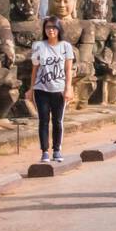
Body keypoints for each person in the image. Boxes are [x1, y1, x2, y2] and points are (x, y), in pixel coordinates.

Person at [28, 15, 74, 163]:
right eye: (48, 27)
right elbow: (35, 69)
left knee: (58, 121)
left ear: (59, 29)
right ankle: (44, 151)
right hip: (41, 89)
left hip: (59, 89)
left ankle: (57, 150)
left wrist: (68, 88)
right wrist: (31, 88)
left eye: (54, 27)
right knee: (43, 120)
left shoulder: (65, 46)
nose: (51, 30)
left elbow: (68, 70)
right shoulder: (38, 46)